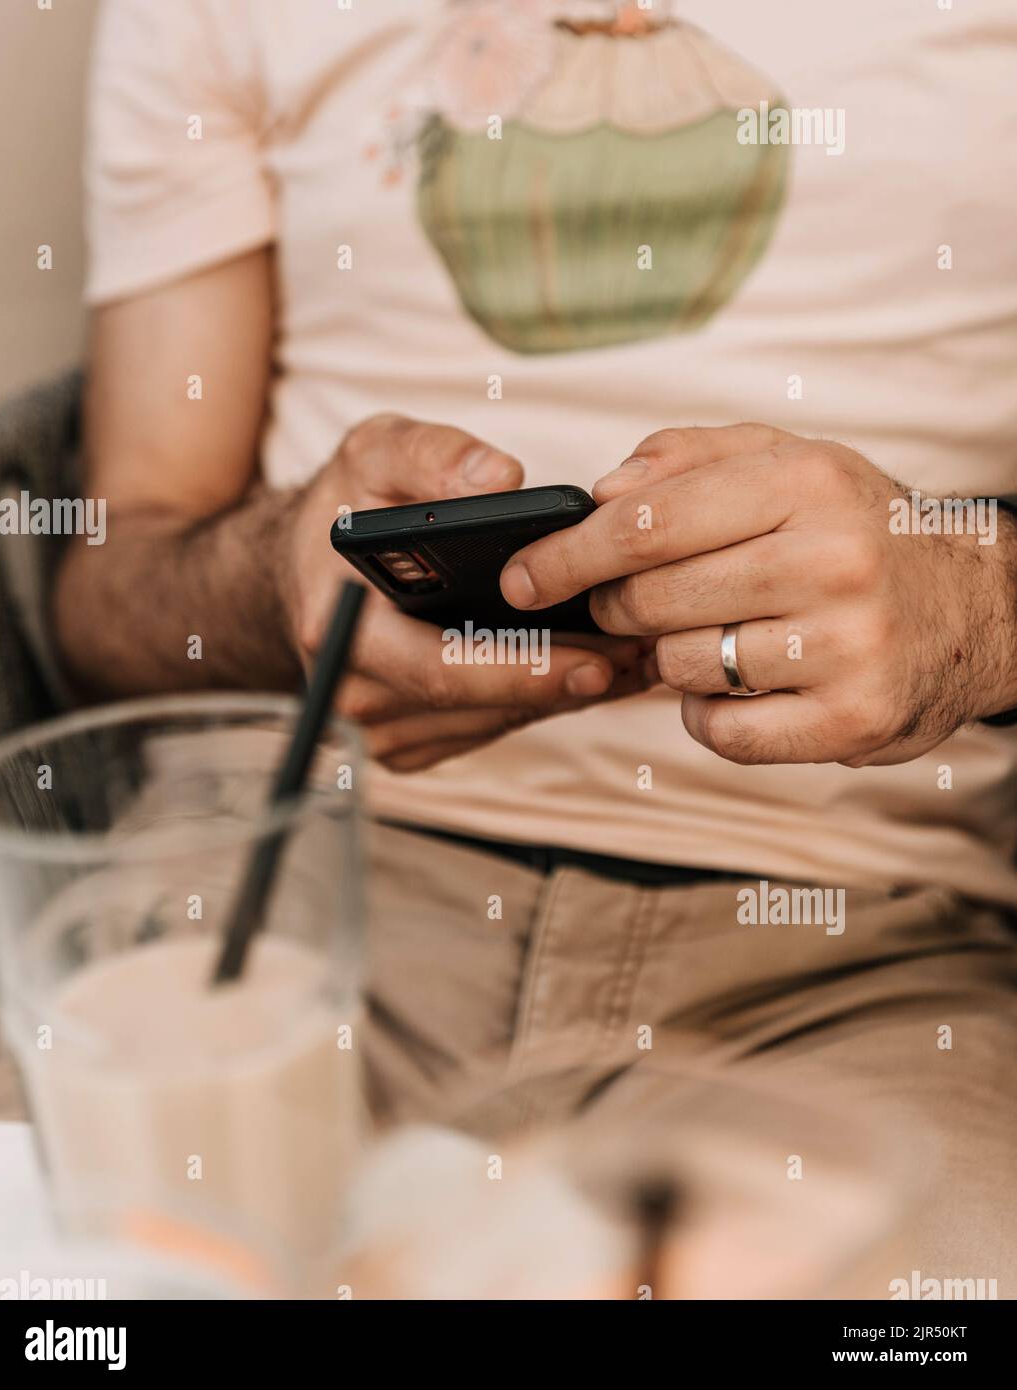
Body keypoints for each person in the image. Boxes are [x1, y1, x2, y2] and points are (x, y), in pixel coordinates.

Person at [55, 0, 1017, 1292]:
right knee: (58, 1294)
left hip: (865, 954)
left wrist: (973, 603)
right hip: (291, 909)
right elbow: (111, 582)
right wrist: (268, 573)